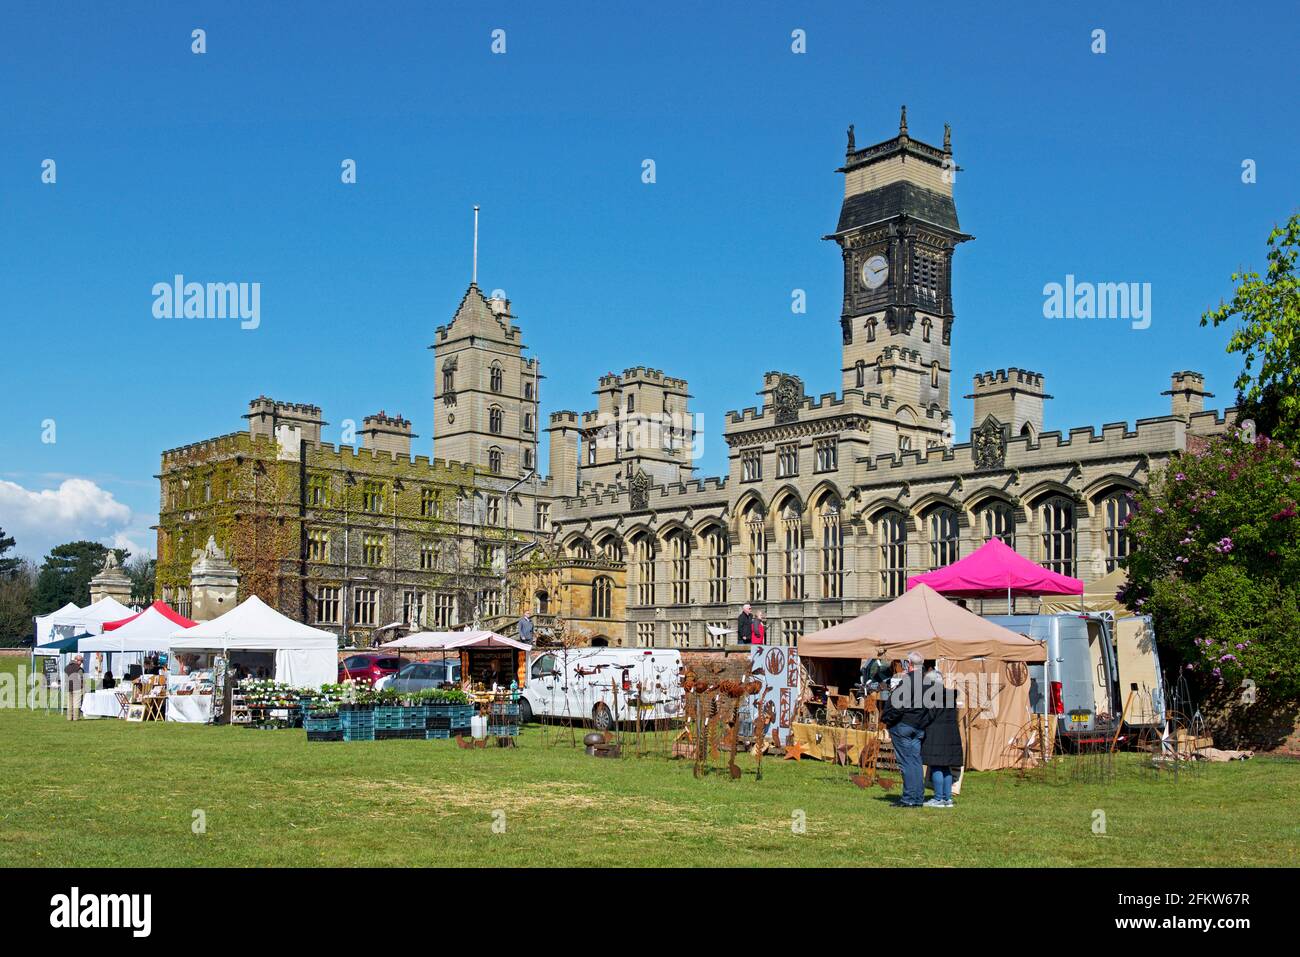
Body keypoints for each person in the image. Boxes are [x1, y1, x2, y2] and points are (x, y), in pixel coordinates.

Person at [879, 652, 931, 807]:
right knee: (915, 762)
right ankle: (917, 798)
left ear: (909, 664)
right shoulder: (927, 682)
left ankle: (909, 798)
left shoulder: (909, 682)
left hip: (904, 726)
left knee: (907, 763)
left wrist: (887, 719)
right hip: (918, 726)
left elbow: (897, 705)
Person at [921, 665, 962, 808]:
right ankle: (947, 798)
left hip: (936, 735)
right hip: (950, 734)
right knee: (946, 768)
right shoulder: (950, 696)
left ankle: (938, 798)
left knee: (936, 766)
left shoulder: (932, 696)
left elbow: (929, 716)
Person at [64, 655, 85, 721]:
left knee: (69, 703)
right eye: (81, 661)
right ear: (77, 660)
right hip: (76, 687)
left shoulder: (66, 667)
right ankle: (75, 718)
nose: (81, 663)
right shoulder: (79, 669)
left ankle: (69, 717)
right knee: (76, 703)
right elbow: (81, 679)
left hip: (68, 687)